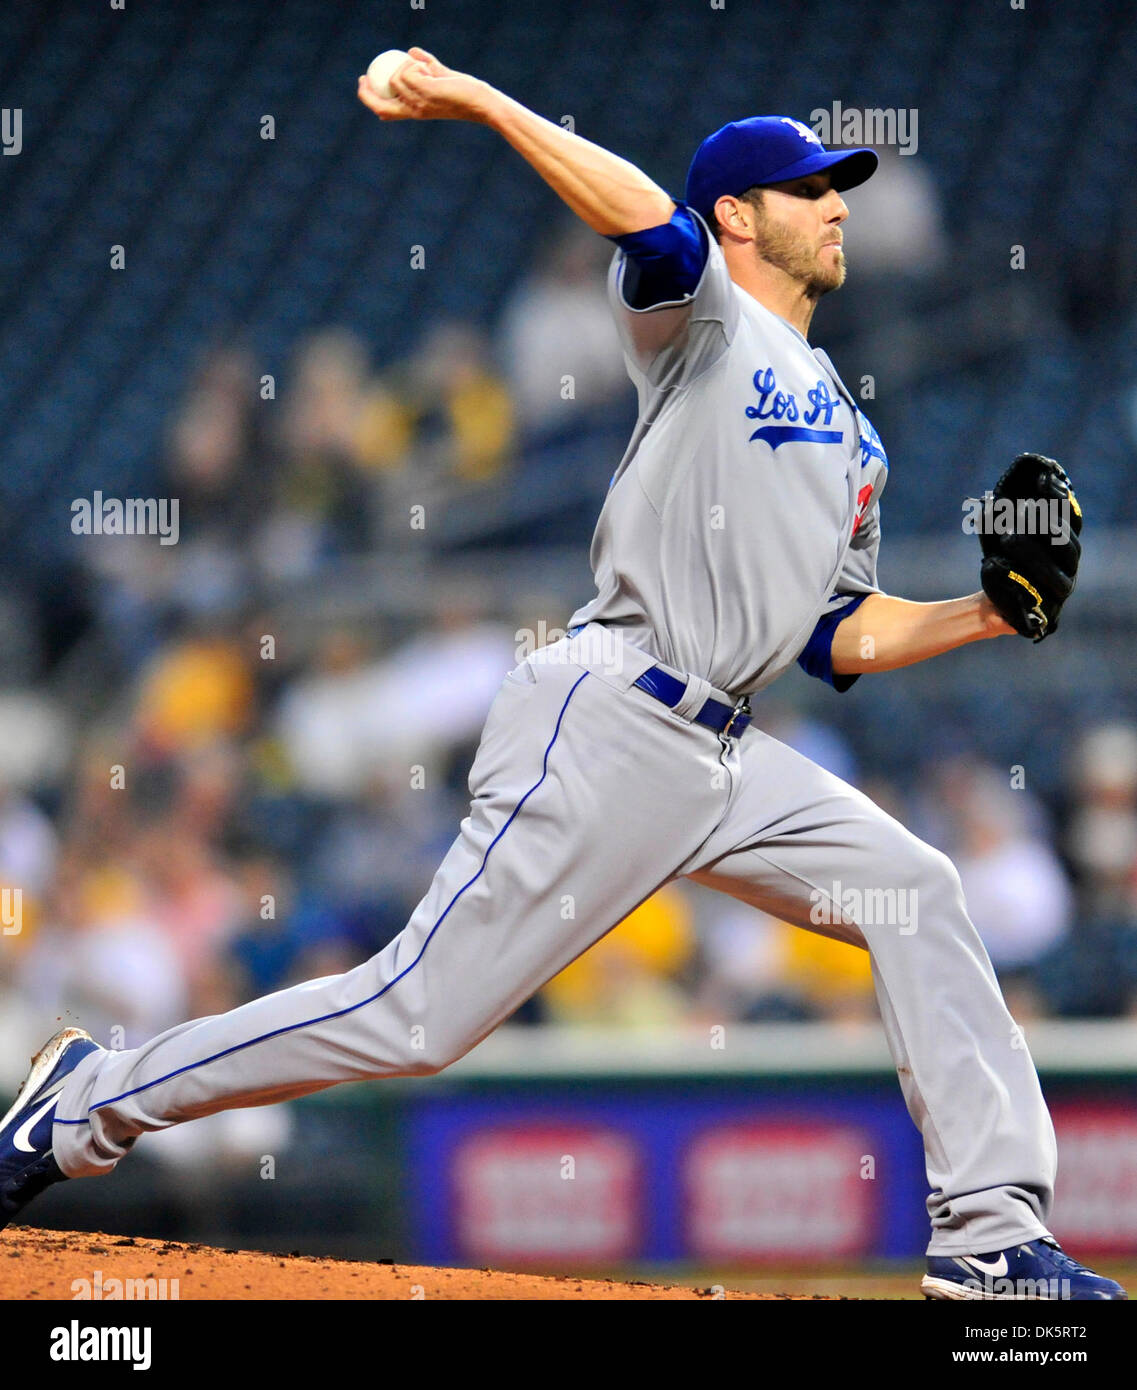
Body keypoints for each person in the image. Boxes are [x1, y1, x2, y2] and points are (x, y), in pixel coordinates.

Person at [0, 47, 1123, 1301]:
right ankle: (85, 1101)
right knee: (416, 1015)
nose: (838, 205)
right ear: (736, 215)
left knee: (916, 889)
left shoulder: (859, 437)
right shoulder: (705, 323)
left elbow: (837, 634)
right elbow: (643, 219)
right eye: (811, 188)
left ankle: (990, 1240)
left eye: (839, 188)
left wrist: (983, 613)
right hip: (612, 711)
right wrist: (480, 100)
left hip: (729, 753)